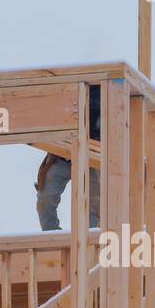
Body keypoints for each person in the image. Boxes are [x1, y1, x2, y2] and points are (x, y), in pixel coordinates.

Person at [35, 84, 101, 230]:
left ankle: (88, 243)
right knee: (45, 197)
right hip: (63, 155)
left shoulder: (105, 95)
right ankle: (53, 237)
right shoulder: (70, 92)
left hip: (94, 158)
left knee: (94, 206)